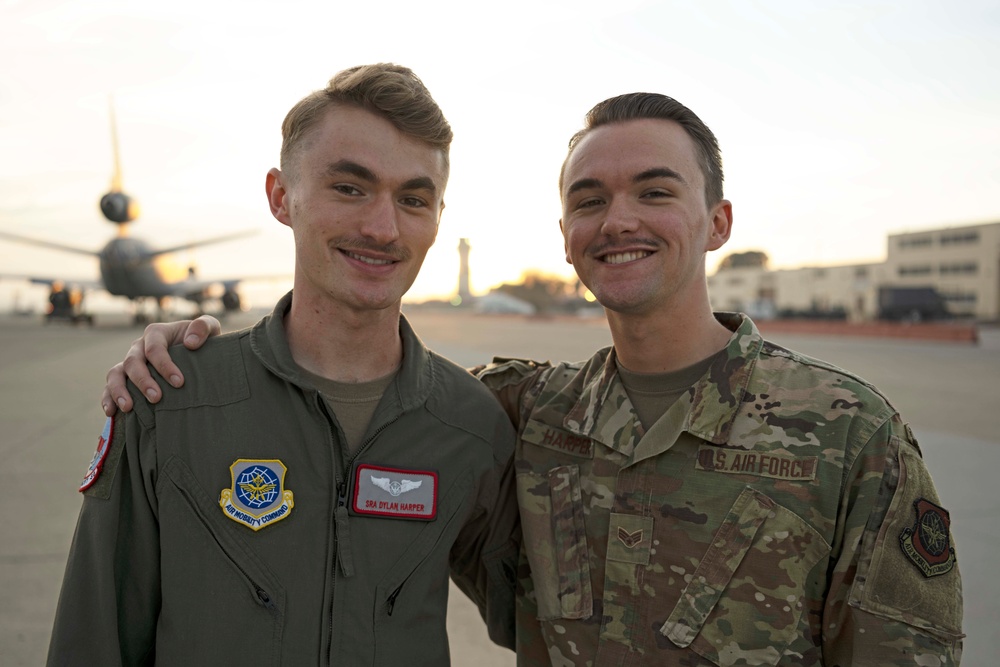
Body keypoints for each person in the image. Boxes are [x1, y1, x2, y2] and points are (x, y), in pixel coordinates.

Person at [102, 92, 964, 666]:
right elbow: (361, 381)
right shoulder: (523, 414)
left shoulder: (850, 433)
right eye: (590, 199)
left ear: (717, 222)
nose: (618, 218)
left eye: (655, 192)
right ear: (563, 234)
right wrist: (194, 354)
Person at [49, 63, 519, 666]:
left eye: (414, 198)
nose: (382, 227)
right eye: (350, 188)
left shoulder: (469, 425)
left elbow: (551, 624)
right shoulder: (170, 400)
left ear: (436, 220)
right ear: (281, 197)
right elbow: (94, 639)